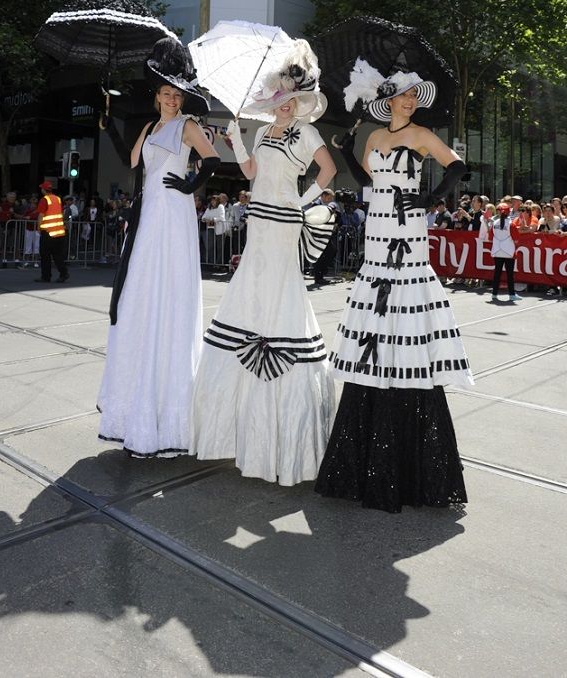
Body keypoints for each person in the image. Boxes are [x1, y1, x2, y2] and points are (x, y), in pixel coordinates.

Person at [315, 65, 472, 512]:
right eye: (403, 96)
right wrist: (346, 152)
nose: (410, 101)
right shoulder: (375, 138)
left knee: (405, 312)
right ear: (389, 100)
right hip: (377, 232)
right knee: (376, 320)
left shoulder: (422, 135)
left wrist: (430, 198)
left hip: (407, 232)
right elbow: (367, 183)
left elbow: (458, 166)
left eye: (413, 96)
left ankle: (404, 391)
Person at [189, 39, 337, 485]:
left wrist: (301, 199)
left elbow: (328, 173)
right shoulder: (260, 131)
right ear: (273, 99)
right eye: (281, 98)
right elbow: (250, 173)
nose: (286, 105)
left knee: (281, 290)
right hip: (258, 219)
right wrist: (234, 139)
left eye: (293, 99)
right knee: (251, 287)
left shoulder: (308, 133)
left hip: (285, 220)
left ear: (300, 100)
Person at [97, 35, 219, 458]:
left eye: (176, 93)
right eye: (165, 93)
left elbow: (214, 160)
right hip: (148, 215)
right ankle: (133, 410)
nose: (170, 98)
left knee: (169, 296)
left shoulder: (188, 126)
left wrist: (189, 185)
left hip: (173, 213)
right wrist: (109, 123)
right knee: (138, 297)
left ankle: (169, 417)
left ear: (183, 96)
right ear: (158, 96)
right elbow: (132, 163)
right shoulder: (150, 128)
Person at [482, 201, 521, 302]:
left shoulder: (494, 223)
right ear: (508, 212)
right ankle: (512, 294)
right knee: (509, 274)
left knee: (497, 273)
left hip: (497, 251)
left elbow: (490, 238)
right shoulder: (511, 224)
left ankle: (494, 294)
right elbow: (516, 239)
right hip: (508, 252)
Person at [34, 182, 69, 283]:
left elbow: (41, 215)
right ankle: (64, 273)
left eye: (41, 189)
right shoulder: (57, 199)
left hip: (48, 232)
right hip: (59, 232)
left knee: (45, 255)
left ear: (44, 190)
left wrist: (39, 227)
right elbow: (60, 213)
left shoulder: (44, 200)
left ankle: (46, 276)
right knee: (57, 255)